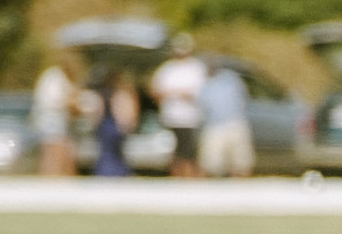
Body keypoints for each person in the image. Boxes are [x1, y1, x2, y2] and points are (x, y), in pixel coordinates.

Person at [149, 34, 208, 178]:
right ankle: (179, 176)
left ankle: (192, 177)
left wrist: (175, 93)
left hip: (191, 117)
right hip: (172, 117)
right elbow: (155, 90)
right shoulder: (167, 69)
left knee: (191, 151)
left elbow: (200, 93)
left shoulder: (196, 67)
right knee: (177, 151)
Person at [198, 63, 253, 179]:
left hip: (235, 122)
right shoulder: (204, 82)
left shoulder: (231, 79)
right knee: (211, 164)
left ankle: (241, 190)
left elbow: (244, 98)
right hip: (214, 125)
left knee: (241, 162)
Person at [33, 55, 75, 177]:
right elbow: (57, 100)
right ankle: (51, 179)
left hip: (52, 120)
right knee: (54, 153)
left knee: (52, 153)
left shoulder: (55, 76)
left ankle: (52, 179)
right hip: (52, 120)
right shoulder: (56, 77)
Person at [93, 71, 137, 178]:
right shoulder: (121, 93)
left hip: (109, 127)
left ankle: (107, 174)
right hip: (114, 127)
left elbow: (99, 112)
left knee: (109, 154)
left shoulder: (110, 93)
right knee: (113, 155)